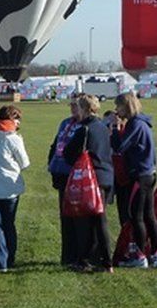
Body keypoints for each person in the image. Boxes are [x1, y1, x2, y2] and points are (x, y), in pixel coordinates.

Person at [62, 94, 114, 272]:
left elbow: (69, 153)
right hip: (106, 176)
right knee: (100, 221)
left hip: (90, 179)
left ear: (83, 109)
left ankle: (85, 259)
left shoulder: (84, 129)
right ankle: (106, 260)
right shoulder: (102, 127)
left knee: (84, 222)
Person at [110, 92, 157, 269]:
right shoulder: (144, 123)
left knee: (136, 215)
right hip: (149, 173)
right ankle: (155, 254)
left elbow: (119, 147)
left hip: (139, 175)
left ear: (126, 106)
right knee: (149, 214)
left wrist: (115, 129)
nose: (117, 111)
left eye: (119, 107)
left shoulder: (135, 124)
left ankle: (140, 255)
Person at [0, 105, 30, 271]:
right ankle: (9, 259)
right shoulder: (13, 138)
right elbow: (25, 163)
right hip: (10, 187)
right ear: (12, 120)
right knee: (8, 224)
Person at [47, 99, 82, 266]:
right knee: (65, 216)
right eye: (72, 105)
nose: (73, 108)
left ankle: (79, 255)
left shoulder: (85, 125)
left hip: (77, 176)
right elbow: (56, 144)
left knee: (78, 217)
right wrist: (51, 164)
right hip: (61, 173)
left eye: (76, 105)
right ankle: (67, 256)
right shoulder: (65, 123)